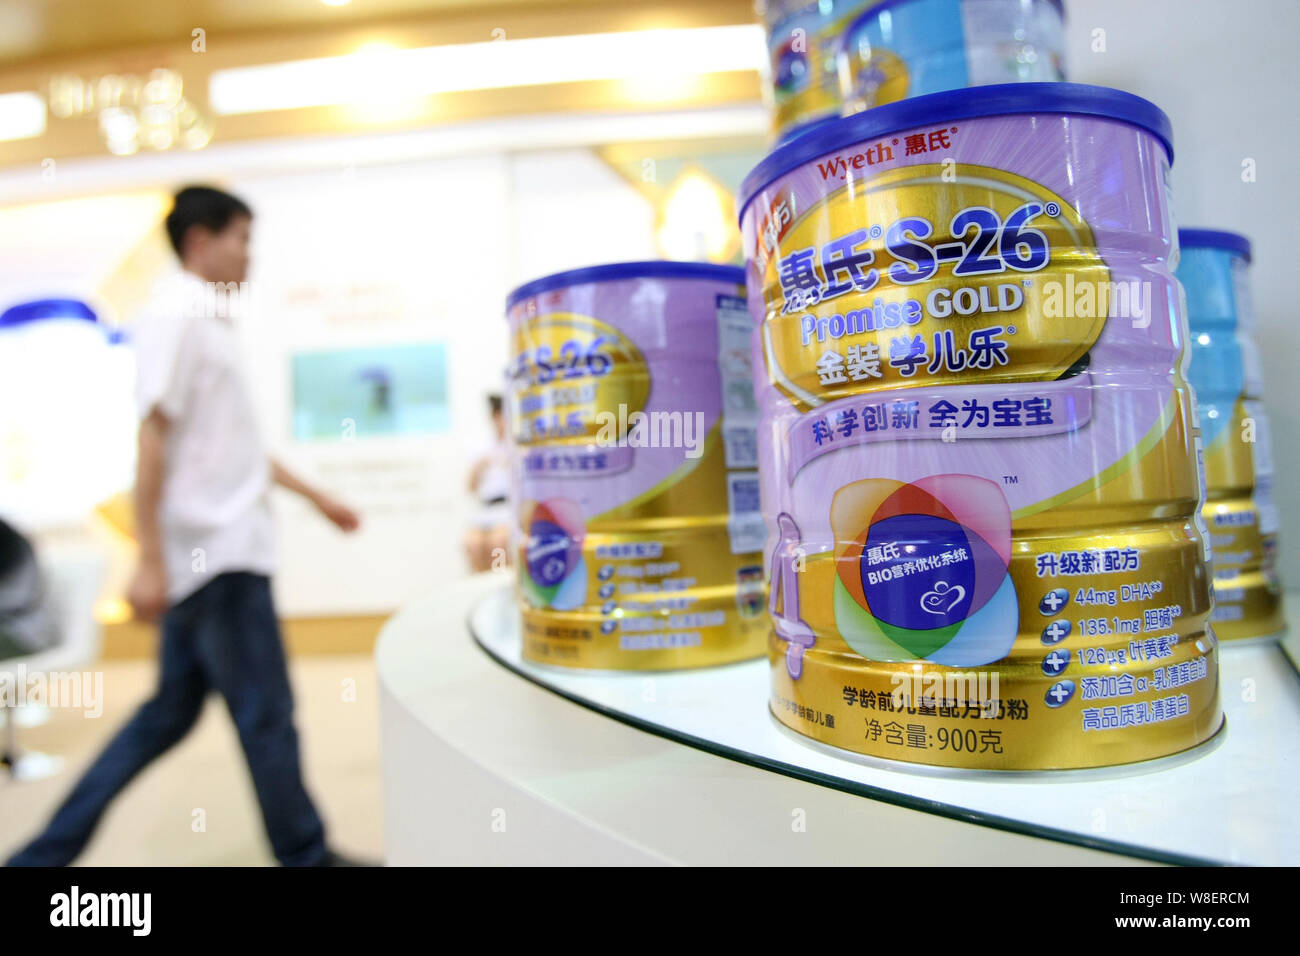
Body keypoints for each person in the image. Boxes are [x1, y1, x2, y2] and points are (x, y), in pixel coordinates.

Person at [7, 186, 367, 867]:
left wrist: (315, 495)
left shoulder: (205, 321)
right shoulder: (175, 314)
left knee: (166, 716)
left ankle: (40, 859)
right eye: (241, 240)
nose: (248, 257)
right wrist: (148, 559)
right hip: (218, 559)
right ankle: (308, 856)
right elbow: (153, 438)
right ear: (201, 240)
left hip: (219, 553)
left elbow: (232, 448)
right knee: (266, 717)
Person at [464, 394, 511, 572]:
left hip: (507, 507)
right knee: (472, 544)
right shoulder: (482, 447)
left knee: (498, 543)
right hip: (487, 508)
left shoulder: (514, 447)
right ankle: (481, 587)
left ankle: (500, 584)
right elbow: (470, 488)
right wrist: (479, 468)